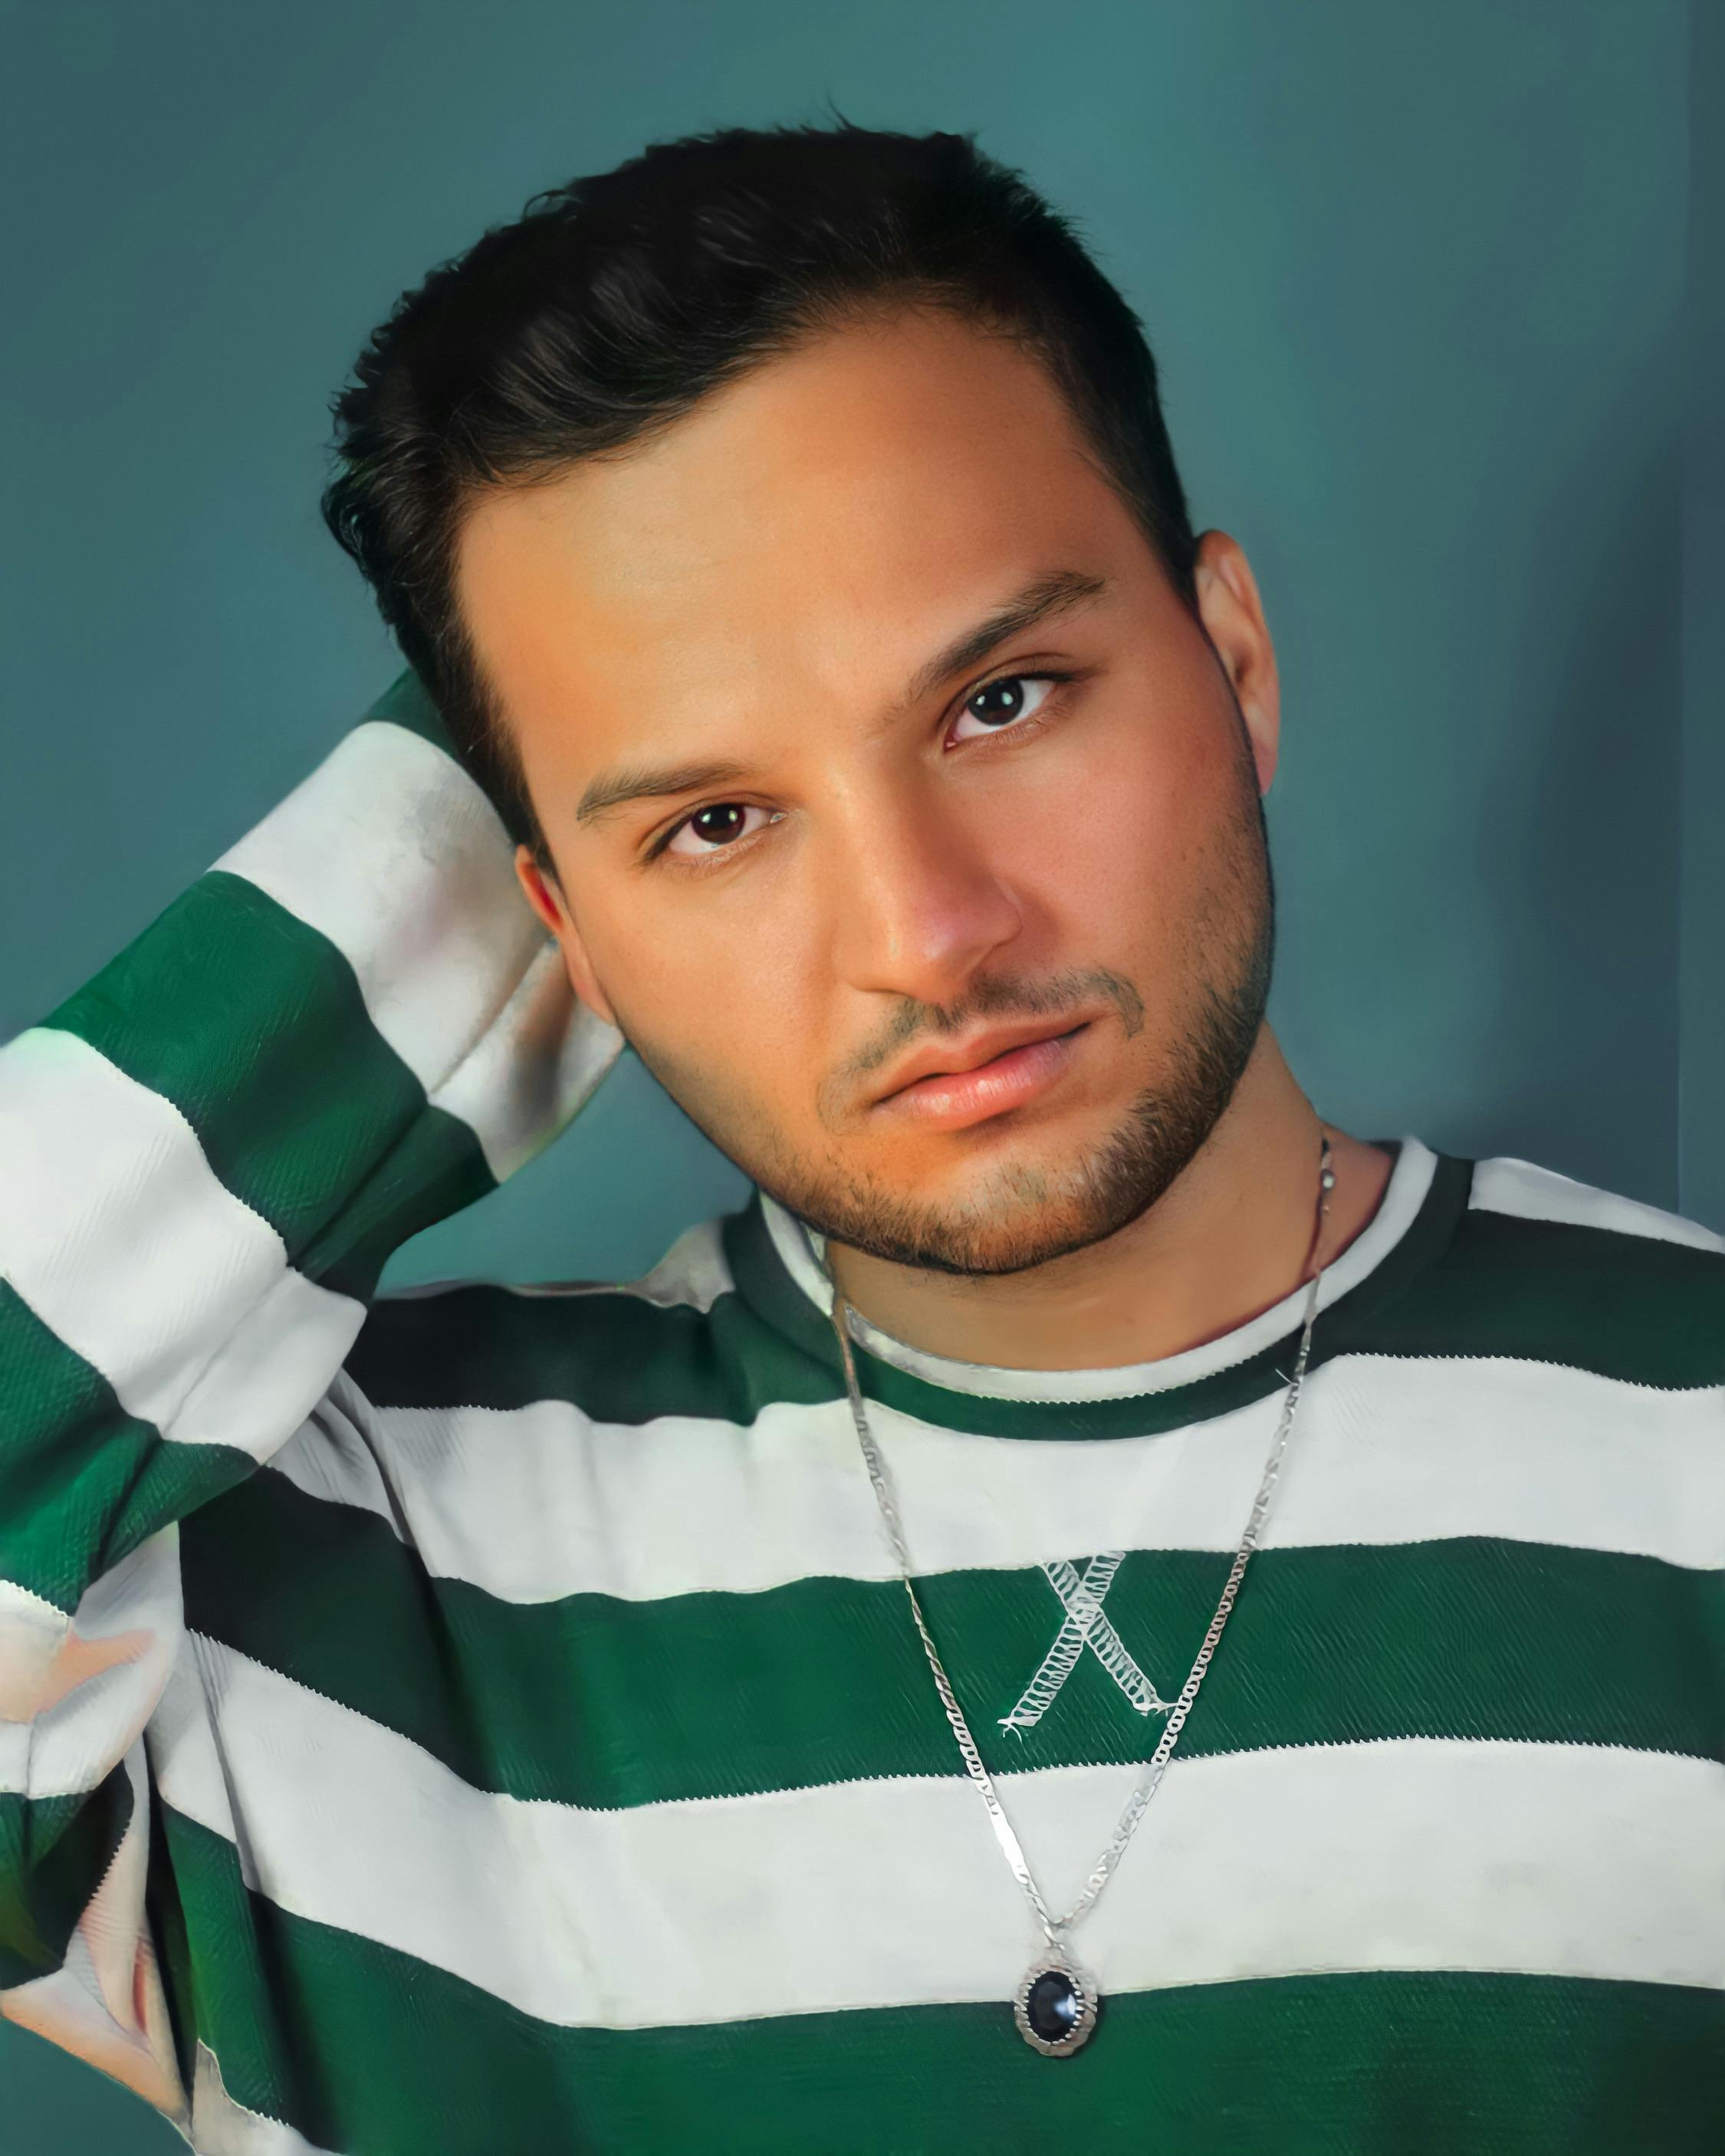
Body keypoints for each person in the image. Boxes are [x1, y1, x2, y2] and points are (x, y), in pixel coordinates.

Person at [2, 119, 1720, 2156]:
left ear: (1229, 662)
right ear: (544, 932)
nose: (927, 935)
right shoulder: (296, 1600)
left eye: (1000, 698)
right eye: (716, 824)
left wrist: (659, 760)